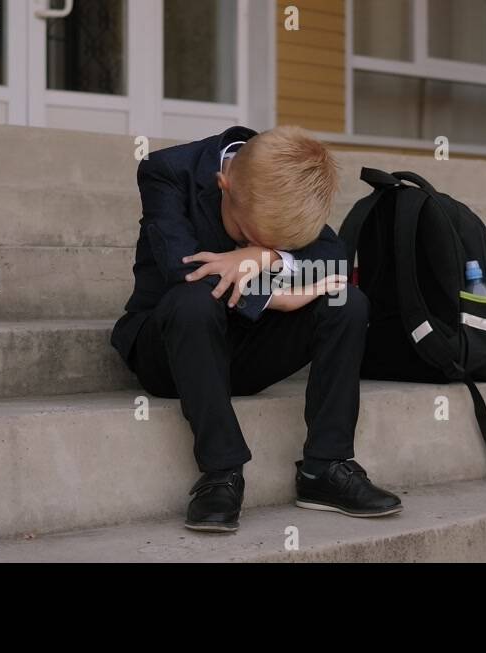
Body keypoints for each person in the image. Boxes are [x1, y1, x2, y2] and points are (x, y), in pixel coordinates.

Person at [111, 125, 402, 532]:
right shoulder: (167, 171)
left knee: (345, 300)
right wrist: (276, 297)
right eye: (246, 234)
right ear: (223, 185)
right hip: (171, 350)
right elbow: (182, 268)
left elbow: (333, 257)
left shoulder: (284, 179)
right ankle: (221, 473)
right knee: (192, 300)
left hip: (245, 354)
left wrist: (265, 256)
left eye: (269, 242)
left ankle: (325, 467)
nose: (247, 245)